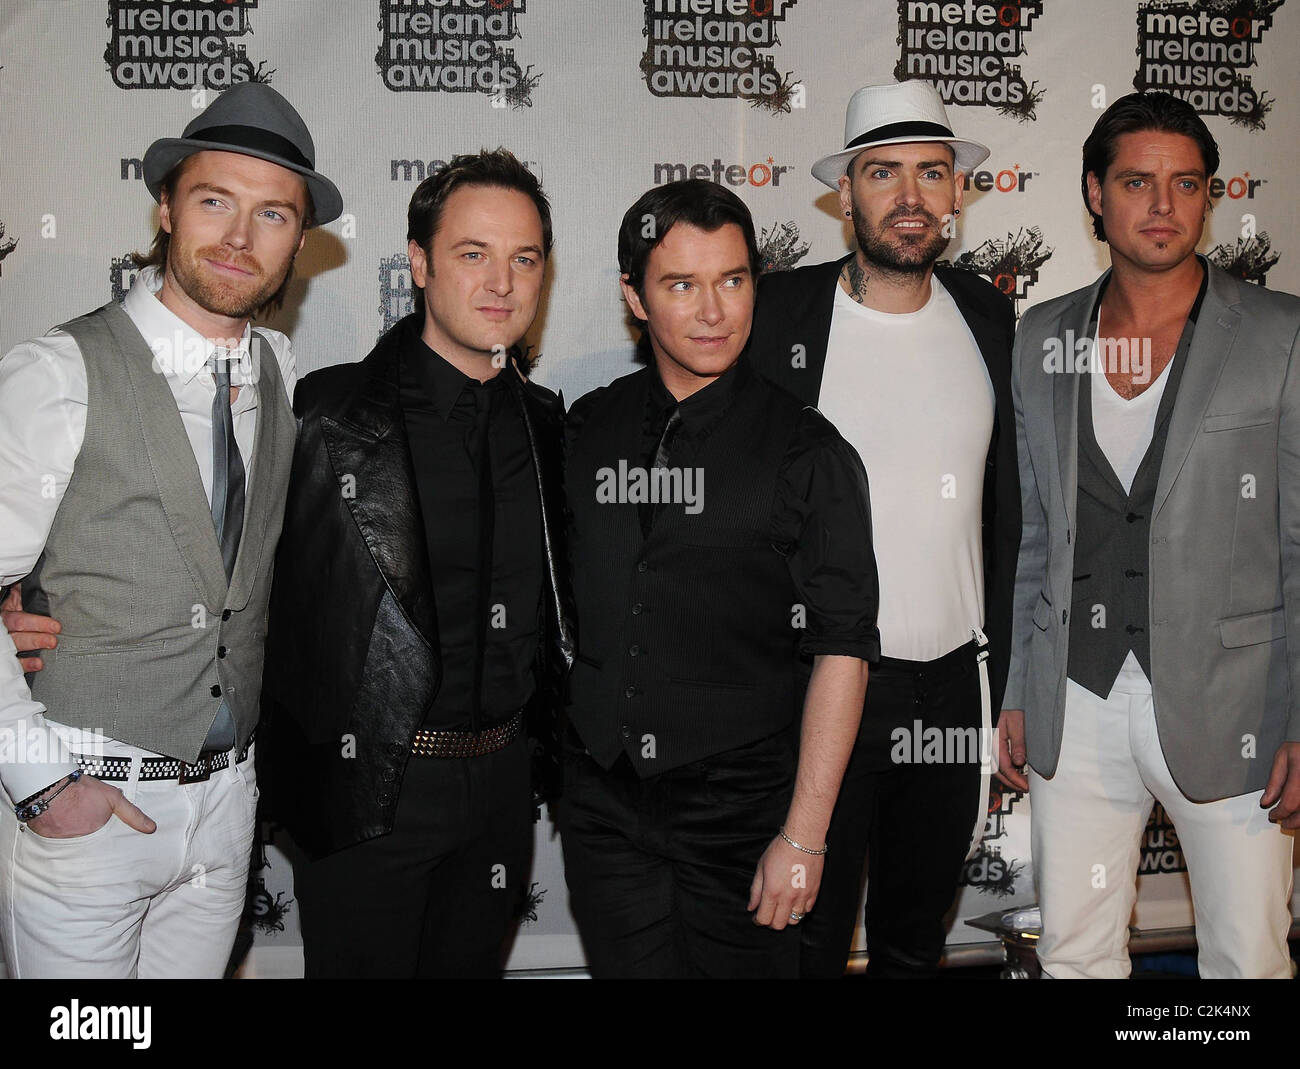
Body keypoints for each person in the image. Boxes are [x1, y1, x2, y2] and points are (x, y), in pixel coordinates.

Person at [0, 82, 340, 978]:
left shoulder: (276, 366)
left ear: (298, 244)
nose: (239, 237)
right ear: (164, 206)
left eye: (272, 214)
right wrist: (39, 782)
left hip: (228, 809)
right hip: (91, 806)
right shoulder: (58, 371)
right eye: (214, 200)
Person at [998, 91, 1300, 978]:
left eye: (1185, 184)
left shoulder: (1282, 336)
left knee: (1248, 959)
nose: (1163, 206)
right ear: (1095, 193)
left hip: (1235, 701)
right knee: (1073, 953)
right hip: (1077, 696)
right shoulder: (1041, 336)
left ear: (1210, 195)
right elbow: (1035, 533)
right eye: (1137, 181)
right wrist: (1020, 685)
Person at [258, 149, 573, 978]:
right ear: (422, 263)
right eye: (473, 254)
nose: (501, 281)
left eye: (525, 258)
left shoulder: (547, 423)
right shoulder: (323, 415)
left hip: (504, 792)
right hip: (370, 794)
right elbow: (234, 582)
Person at [558, 179, 878, 978]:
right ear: (634, 296)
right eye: (681, 285)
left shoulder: (810, 451)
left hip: (746, 813)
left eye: (733, 281)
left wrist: (803, 835)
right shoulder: (585, 427)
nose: (714, 311)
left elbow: (845, 646)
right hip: (605, 805)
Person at [747, 79, 1021, 978]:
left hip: (951, 691)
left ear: (955, 193)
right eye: (883, 172)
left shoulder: (987, 314)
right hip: (817, 689)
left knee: (914, 940)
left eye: (931, 173)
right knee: (805, 943)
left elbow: (1008, 511)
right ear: (845, 195)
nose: (910, 197)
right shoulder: (778, 317)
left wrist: (1008, 685)